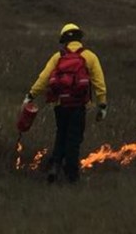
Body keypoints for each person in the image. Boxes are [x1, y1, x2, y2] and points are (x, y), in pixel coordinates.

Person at [23, 23, 108, 183]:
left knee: (61, 135)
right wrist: (102, 105)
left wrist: (31, 95)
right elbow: (99, 83)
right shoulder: (89, 56)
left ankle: (55, 167)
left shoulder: (58, 57)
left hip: (60, 105)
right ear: (79, 37)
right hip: (79, 106)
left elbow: (43, 78)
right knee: (74, 139)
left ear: (64, 40)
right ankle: (72, 176)